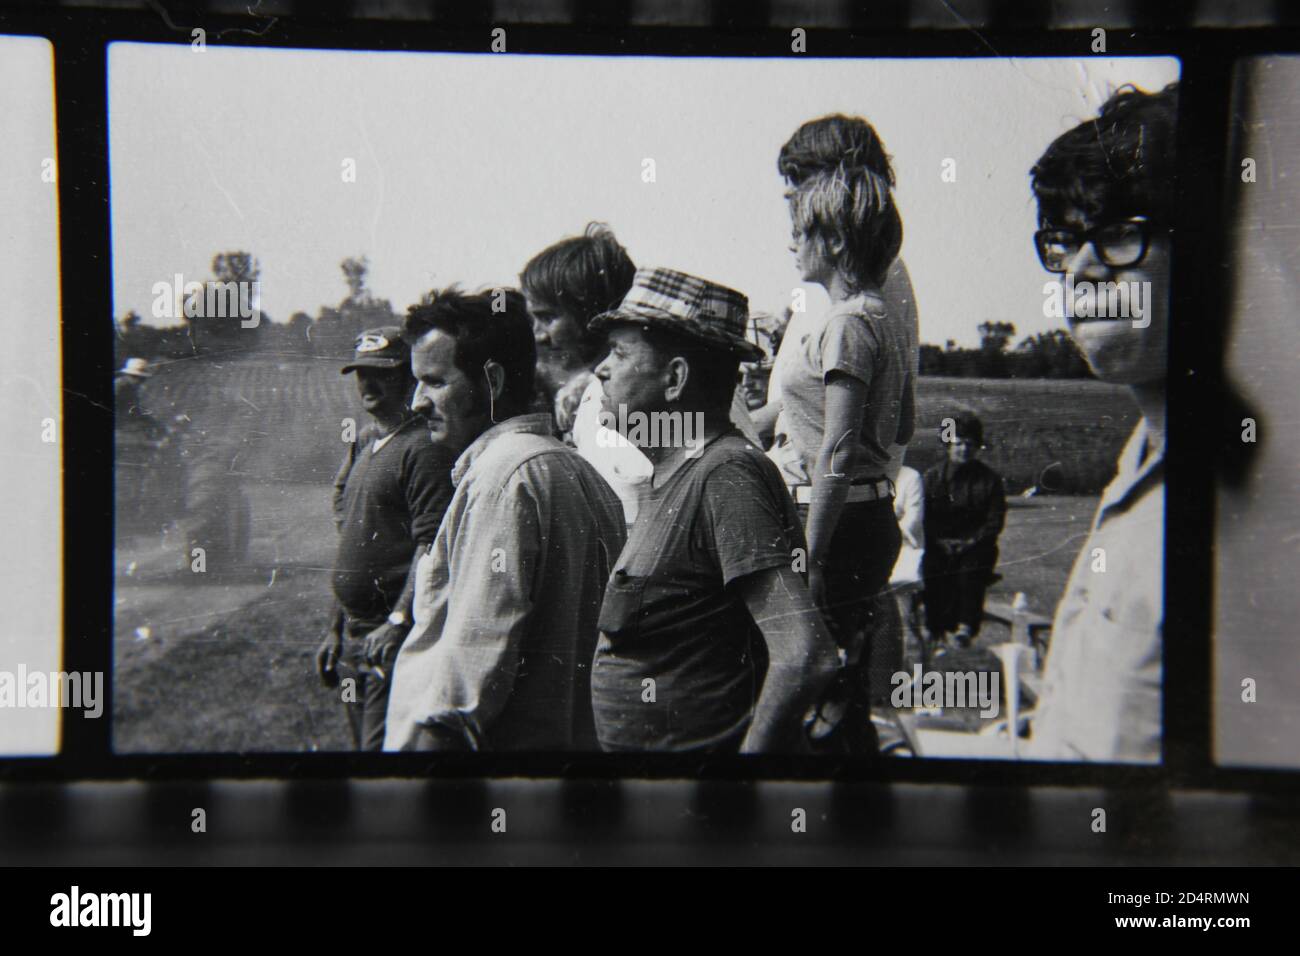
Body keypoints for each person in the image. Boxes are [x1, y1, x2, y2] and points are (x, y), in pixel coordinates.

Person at [588, 268, 839, 753]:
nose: (601, 368)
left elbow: (806, 654)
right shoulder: (680, 475)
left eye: (619, 353)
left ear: (675, 378)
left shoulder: (726, 476)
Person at [382, 287, 626, 752]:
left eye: (435, 381)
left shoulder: (501, 481)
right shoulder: (577, 470)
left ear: (490, 382)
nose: (416, 401)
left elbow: (468, 677)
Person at [1024, 84, 1175, 762]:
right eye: (1065, 239)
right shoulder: (1141, 456)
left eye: (1117, 234)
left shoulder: (1256, 502)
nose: (1080, 268)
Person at [767, 115, 915, 752]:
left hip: (837, 523)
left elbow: (838, 446)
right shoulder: (880, 314)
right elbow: (902, 421)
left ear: (831, 241)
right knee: (838, 684)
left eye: (799, 230)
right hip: (868, 518)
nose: (790, 242)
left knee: (811, 682)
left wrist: (812, 550)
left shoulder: (847, 324)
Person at [522, 222, 763, 526]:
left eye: (548, 317)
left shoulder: (643, 399)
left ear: (588, 312)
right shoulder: (604, 394)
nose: (539, 336)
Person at [315, 327, 455, 751]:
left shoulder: (422, 448)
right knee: (361, 746)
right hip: (354, 638)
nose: (368, 385)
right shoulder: (365, 442)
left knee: (382, 753)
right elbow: (352, 545)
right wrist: (334, 630)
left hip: (388, 641)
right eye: (360, 374)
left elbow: (430, 547)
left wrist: (397, 623)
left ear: (408, 378)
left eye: (382, 373)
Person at [921, 413, 1006, 651]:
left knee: (971, 571)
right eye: (958, 443)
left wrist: (970, 542)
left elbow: (995, 521)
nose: (964, 449)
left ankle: (965, 628)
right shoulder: (932, 478)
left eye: (970, 444)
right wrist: (940, 541)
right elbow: (923, 517)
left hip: (976, 546)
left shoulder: (989, 480)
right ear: (948, 445)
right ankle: (934, 628)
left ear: (977, 447)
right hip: (938, 544)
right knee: (933, 569)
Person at [888, 463, 926, 665]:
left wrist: (883, 525)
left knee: (905, 619)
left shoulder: (910, 477)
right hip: (868, 557)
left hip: (903, 555)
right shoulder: (861, 471)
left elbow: (913, 519)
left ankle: (915, 674)